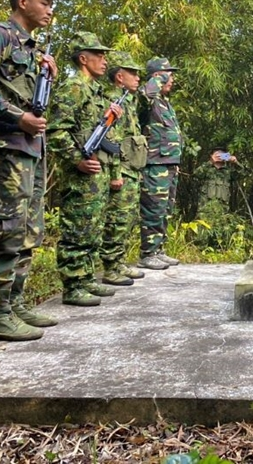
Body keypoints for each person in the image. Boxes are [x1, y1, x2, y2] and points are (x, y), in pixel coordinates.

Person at [0, 0, 64, 341]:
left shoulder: (31, 48)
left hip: (30, 149)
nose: (49, 9)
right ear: (22, 1)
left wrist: (47, 80)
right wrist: (17, 118)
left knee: (29, 230)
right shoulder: (0, 36)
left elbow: (32, 102)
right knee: (7, 229)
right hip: (7, 147)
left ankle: (16, 302)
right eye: (44, 1)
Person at [47, 32, 123, 306]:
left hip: (96, 173)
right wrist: (75, 159)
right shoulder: (73, 88)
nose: (104, 61)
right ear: (83, 58)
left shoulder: (94, 91)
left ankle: (87, 277)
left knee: (92, 227)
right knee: (77, 229)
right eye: (99, 56)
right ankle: (73, 285)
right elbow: (56, 131)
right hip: (80, 173)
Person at [99, 52, 148, 285]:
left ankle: (119, 263)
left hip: (132, 169)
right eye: (133, 73)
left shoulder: (128, 100)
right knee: (116, 219)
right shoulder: (113, 100)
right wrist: (115, 173)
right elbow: (113, 140)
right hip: (121, 170)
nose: (138, 78)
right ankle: (110, 267)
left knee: (127, 219)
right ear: (120, 76)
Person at [137, 57, 183, 270]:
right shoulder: (149, 100)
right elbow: (145, 94)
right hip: (155, 164)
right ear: (156, 76)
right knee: (153, 208)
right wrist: (157, 79)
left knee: (165, 209)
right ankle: (148, 253)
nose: (171, 79)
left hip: (169, 163)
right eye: (168, 75)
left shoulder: (165, 103)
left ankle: (158, 249)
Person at [192, 148, 242, 249]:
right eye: (217, 154)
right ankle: (199, 252)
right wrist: (210, 162)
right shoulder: (206, 169)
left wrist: (236, 162)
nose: (220, 156)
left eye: (223, 155)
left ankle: (219, 251)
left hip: (222, 209)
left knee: (220, 234)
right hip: (205, 208)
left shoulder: (228, 171)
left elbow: (243, 174)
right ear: (211, 156)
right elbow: (196, 174)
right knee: (202, 234)